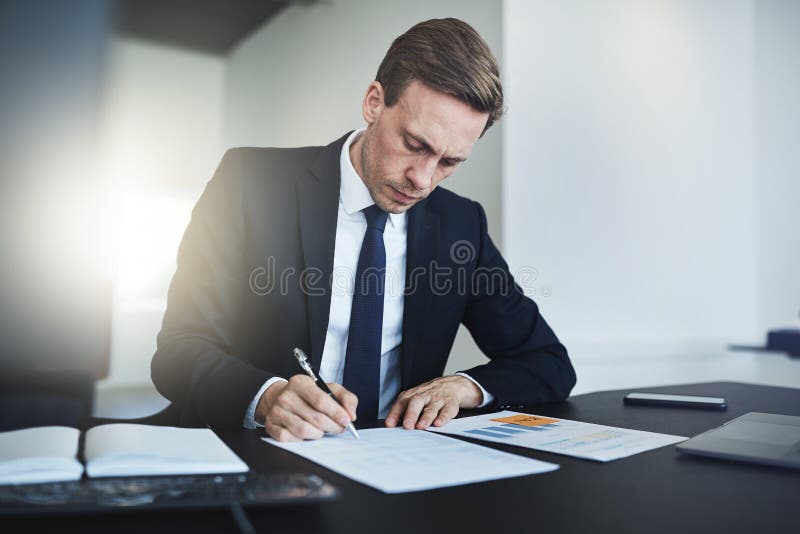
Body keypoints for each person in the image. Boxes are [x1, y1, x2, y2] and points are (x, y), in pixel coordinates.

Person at [151, 18, 576, 441]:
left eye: (449, 162)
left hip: (393, 466)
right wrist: (266, 396)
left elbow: (548, 361)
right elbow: (178, 350)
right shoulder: (248, 182)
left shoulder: (461, 224)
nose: (423, 180)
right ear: (374, 102)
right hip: (256, 455)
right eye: (415, 144)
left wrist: (465, 386)